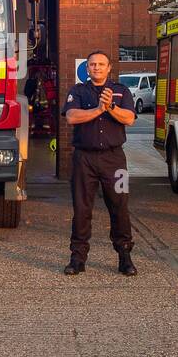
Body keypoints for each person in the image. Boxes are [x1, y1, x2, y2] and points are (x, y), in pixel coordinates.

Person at [62, 50, 138, 276]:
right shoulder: (77, 91)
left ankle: (125, 257)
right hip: (84, 159)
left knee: (120, 207)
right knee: (81, 209)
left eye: (101, 64)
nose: (96, 67)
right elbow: (71, 117)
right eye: (92, 64)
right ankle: (77, 259)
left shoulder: (121, 91)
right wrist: (97, 110)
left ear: (109, 68)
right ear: (87, 68)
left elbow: (130, 119)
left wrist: (111, 107)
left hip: (115, 160)